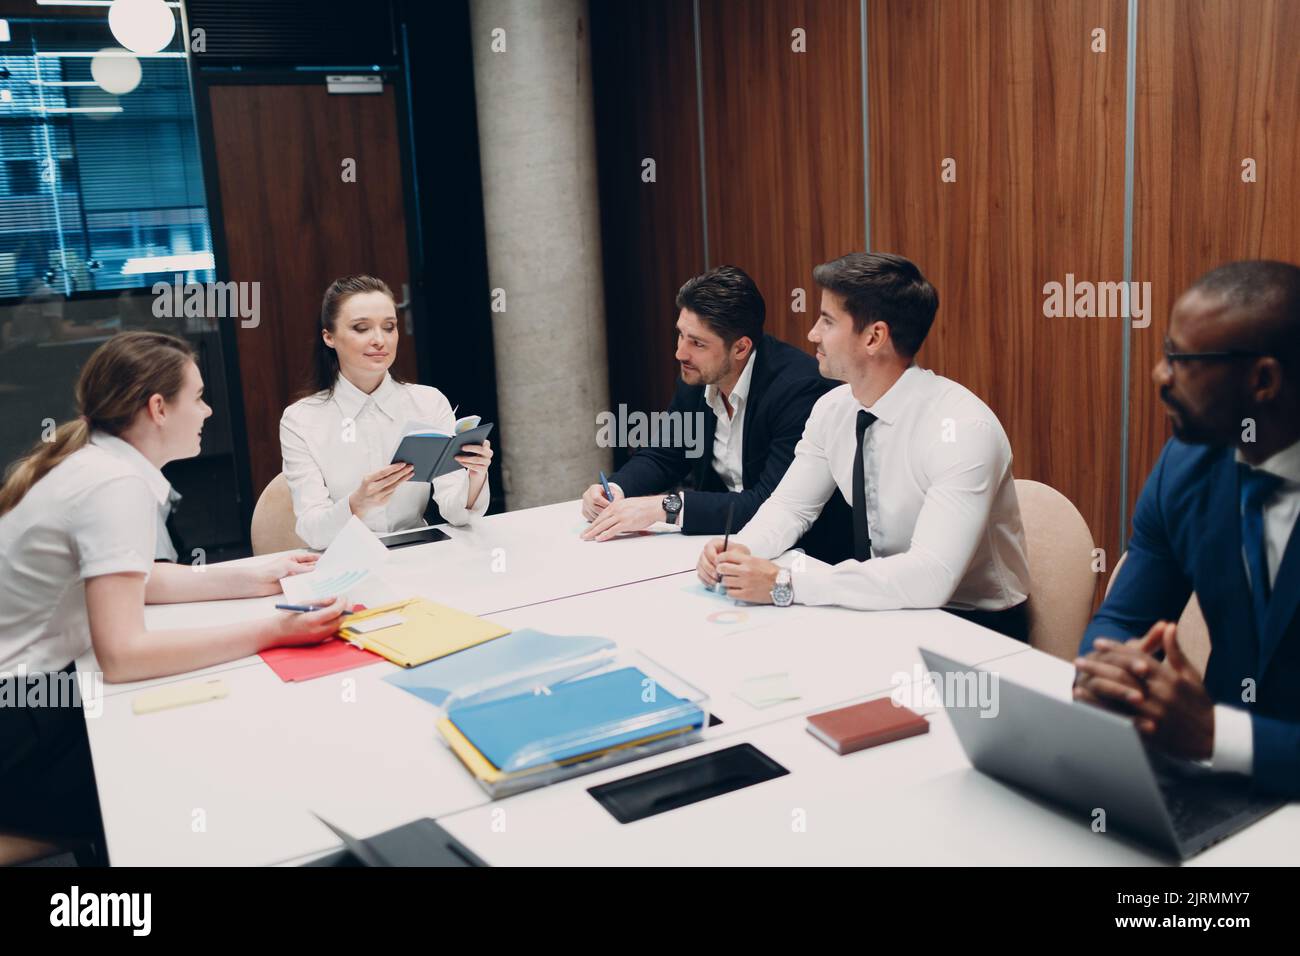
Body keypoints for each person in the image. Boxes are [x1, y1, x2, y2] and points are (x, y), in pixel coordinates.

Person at [0, 331, 344, 857]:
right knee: (198, 772)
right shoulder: (114, 486)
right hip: (21, 727)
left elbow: (134, 577)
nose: (207, 411)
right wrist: (272, 631)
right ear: (158, 407)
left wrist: (249, 576)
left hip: (34, 696)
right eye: (199, 396)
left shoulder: (95, 463)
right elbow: (122, 655)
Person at [700, 252, 1030, 640]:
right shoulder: (833, 408)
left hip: (973, 625)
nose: (812, 335)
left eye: (827, 321)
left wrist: (786, 582)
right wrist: (740, 551)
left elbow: (931, 576)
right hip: (884, 604)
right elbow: (790, 508)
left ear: (874, 337)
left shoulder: (961, 428)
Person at [1075, 260, 1300, 796]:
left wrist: (1216, 733)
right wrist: (1116, 676)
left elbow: (1213, 732)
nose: (1160, 375)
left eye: (1181, 359)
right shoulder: (1185, 466)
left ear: (1263, 379)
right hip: (1209, 786)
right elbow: (1122, 620)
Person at [581, 265, 852, 562]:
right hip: (720, 543)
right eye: (681, 335)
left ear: (740, 348)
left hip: (801, 557)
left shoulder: (798, 390)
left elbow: (769, 504)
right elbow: (664, 454)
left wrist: (665, 507)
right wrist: (616, 490)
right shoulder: (699, 374)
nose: (680, 353)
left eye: (697, 343)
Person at [280, 275, 493, 549]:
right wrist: (357, 504)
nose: (380, 340)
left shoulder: (429, 403)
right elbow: (313, 532)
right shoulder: (301, 420)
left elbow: (456, 515)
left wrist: (476, 476)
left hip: (421, 553)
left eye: (389, 327)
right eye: (361, 328)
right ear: (329, 337)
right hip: (345, 558)